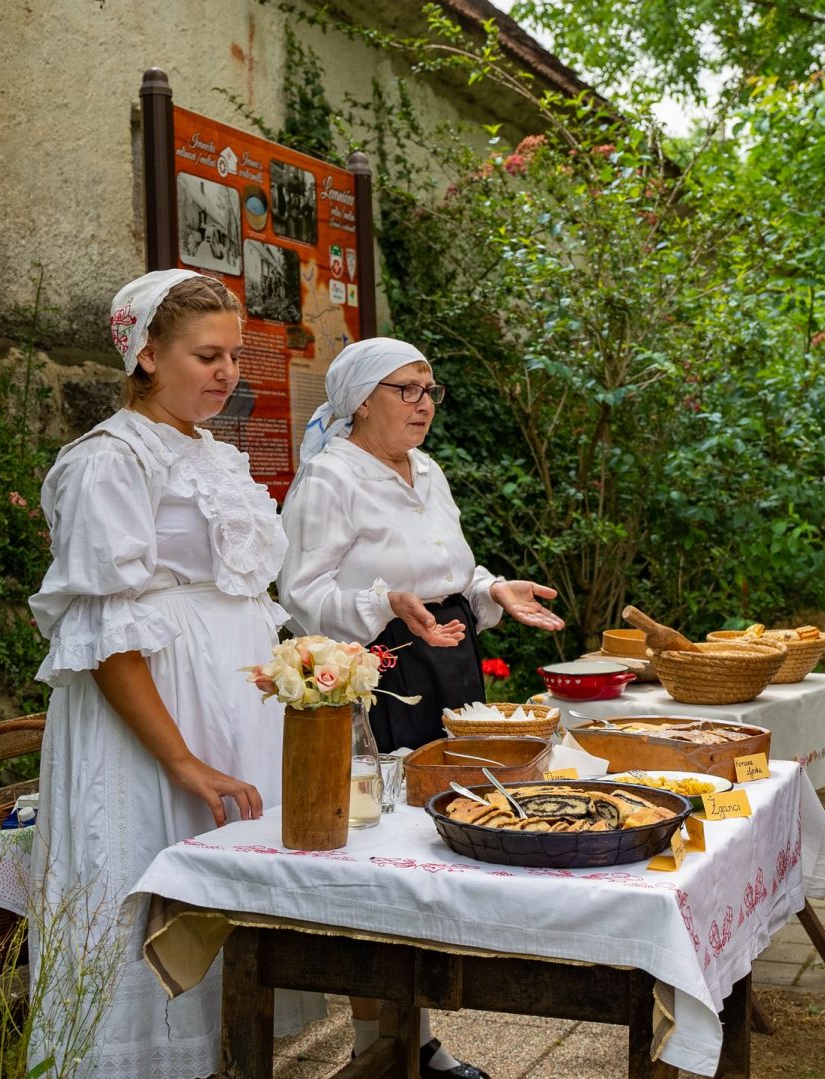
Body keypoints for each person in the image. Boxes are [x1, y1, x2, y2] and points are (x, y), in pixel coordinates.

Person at [28, 270, 323, 1077]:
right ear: (148, 354)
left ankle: (224, 1058)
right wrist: (180, 757)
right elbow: (106, 634)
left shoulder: (213, 454)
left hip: (230, 704)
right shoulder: (110, 461)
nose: (227, 372)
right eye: (207, 355)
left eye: (234, 355)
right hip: (153, 722)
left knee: (226, 896)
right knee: (148, 879)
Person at [278, 336, 563, 1074]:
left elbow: (455, 568)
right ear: (360, 401)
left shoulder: (427, 469)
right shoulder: (329, 478)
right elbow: (299, 595)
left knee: (444, 832)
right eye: (405, 389)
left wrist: (492, 589)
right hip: (380, 669)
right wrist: (384, 605)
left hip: (448, 656)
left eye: (428, 389)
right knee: (384, 852)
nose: (423, 403)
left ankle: (418, 1038)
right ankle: (385, 1044)